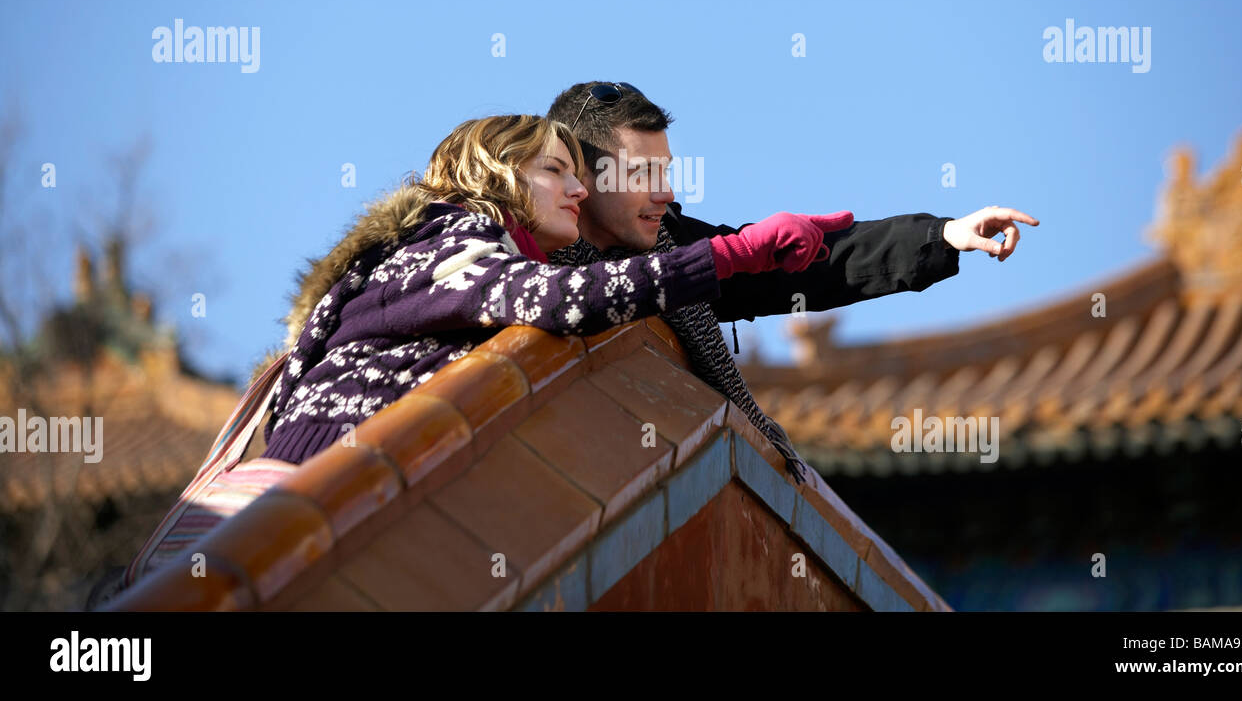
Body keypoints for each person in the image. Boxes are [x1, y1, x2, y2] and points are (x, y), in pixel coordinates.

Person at [256, 115, 853, 466]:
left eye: (577, 171)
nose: (578, 190)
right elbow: (567, 299)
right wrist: (738, 253)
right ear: (491, 173)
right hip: (330, 468)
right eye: (553, 170)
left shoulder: (462, 250)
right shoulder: (442, 238)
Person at [544, 81, 1040, 483]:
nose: (666, 192)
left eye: (666, 172)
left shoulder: (677, 248)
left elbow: (803, 264)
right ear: (581, 178)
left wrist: (943, 235)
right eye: (642, 173)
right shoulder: (520, 268)